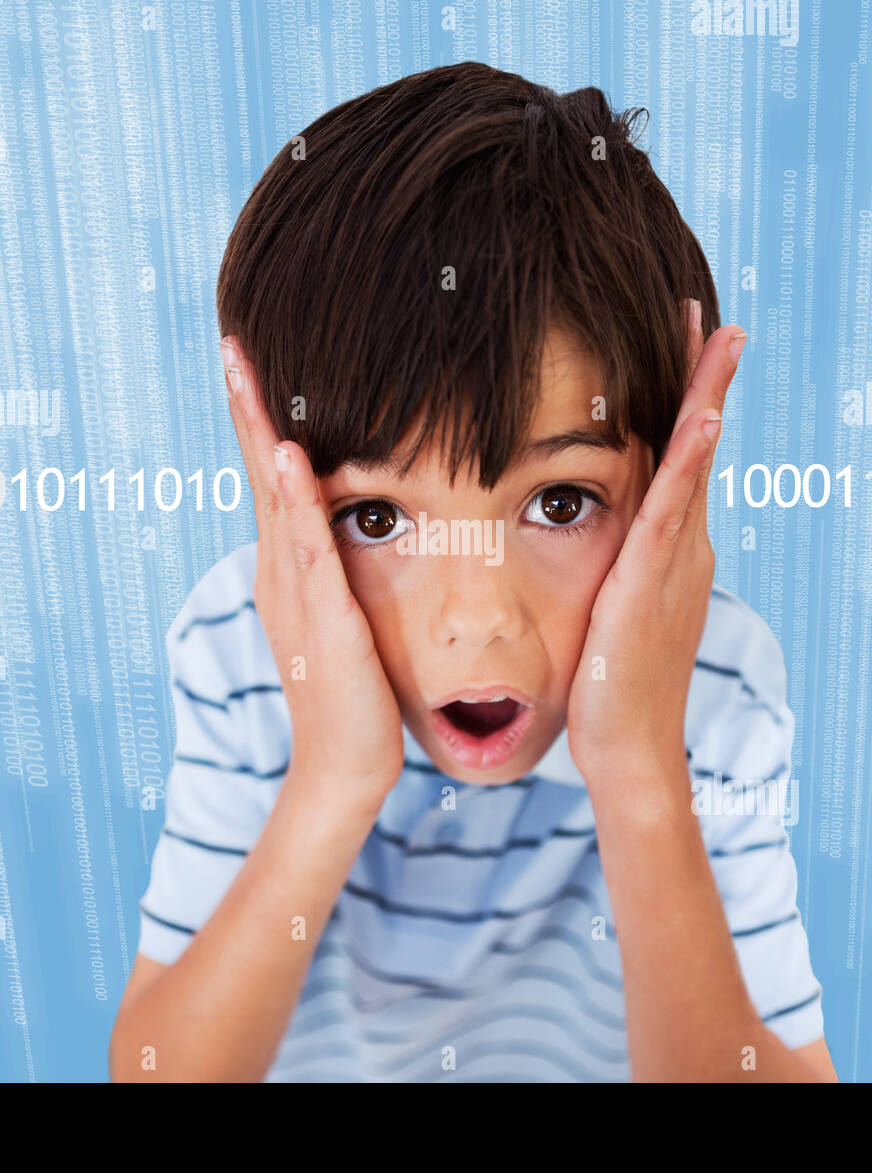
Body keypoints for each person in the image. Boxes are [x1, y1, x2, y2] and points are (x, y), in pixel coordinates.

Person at [109, 61, 835, 1082]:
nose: (478, 621)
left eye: (559, 504)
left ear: (669, 478)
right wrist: (332, 779)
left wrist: (636, 773)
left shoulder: (713, 677)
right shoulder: (245, 644)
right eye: (376, 515)